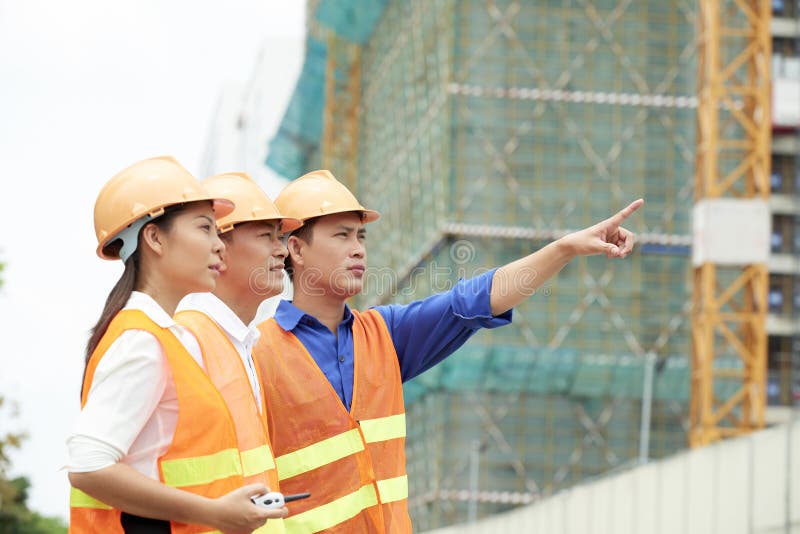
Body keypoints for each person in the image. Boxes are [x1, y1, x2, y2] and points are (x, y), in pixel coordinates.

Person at [252, 169, 643, 533]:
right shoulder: (257, 356)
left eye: (361, 237)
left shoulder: (383, 336)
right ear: (297, 251)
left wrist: (564, 249)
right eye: (342, 235)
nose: (358, 250)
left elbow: (474, 300)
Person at [67, 156, 288, 534]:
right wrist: (215, 513)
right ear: (154, 238)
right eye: (205, 229)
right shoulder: (142, 340)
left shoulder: (164, 337)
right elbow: (88, 464)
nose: (220, 246)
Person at [174, 172, 302, 534]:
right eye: (266, 237)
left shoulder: (241, 344)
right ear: (219, 249)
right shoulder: (187, 340)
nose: (282, 250)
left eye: (281, 237)